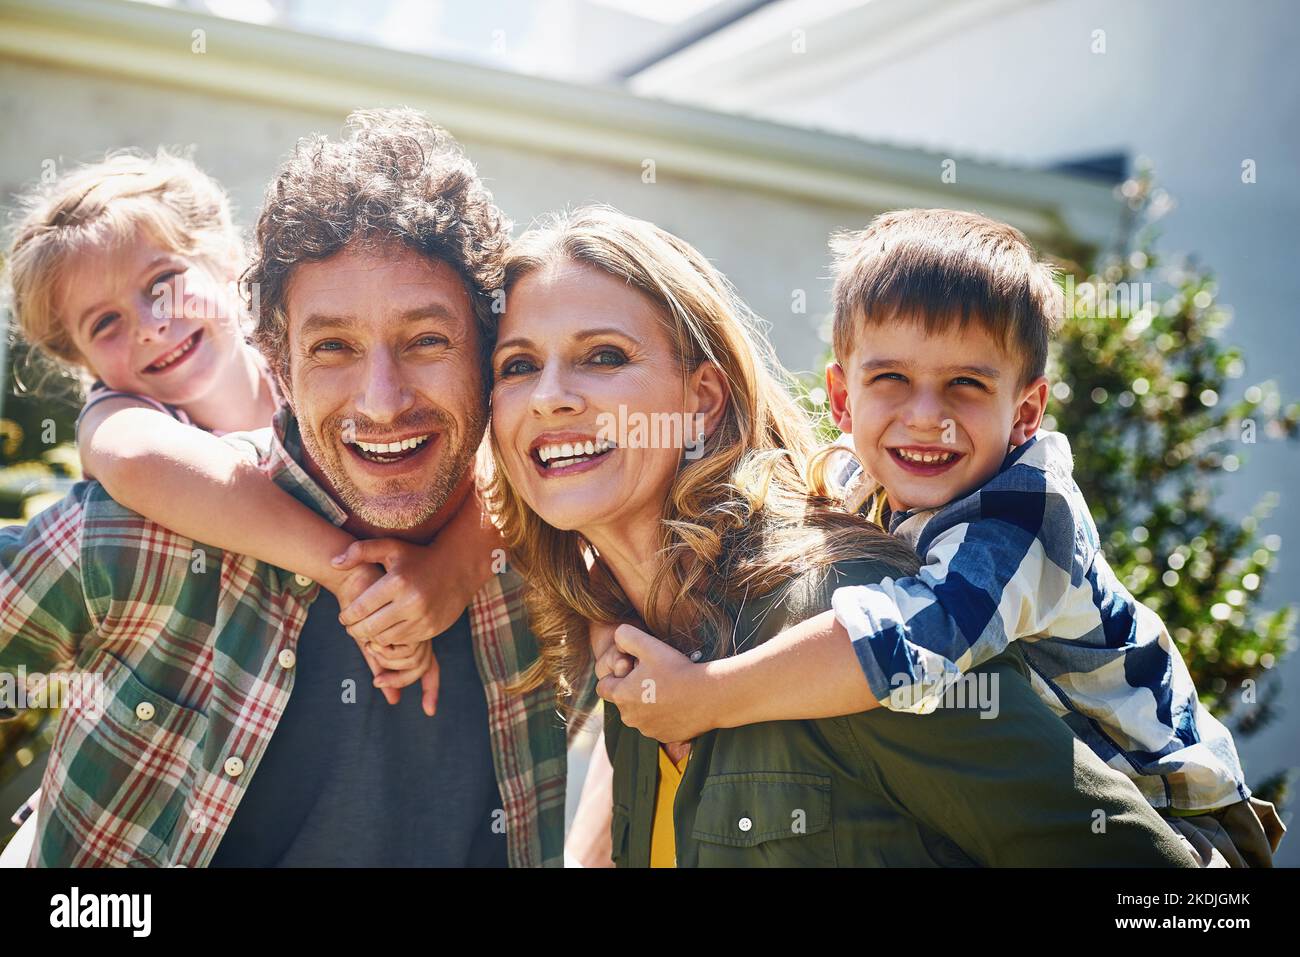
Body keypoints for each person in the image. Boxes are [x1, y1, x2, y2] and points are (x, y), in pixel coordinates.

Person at [487, 204, 1198, 866]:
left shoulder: (850, 618)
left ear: (701, 399)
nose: (551, 394)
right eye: (518, 365)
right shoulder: (642, 657)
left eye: (604, 356)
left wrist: (708, 691)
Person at [0, 109, 581, 867]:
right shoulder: (135, 519)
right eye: (332, 346)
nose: (380, 400)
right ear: (281, 349)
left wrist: (455, 564)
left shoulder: (555, 535)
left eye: (427, 339)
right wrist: (357, 574)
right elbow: (131, 458)